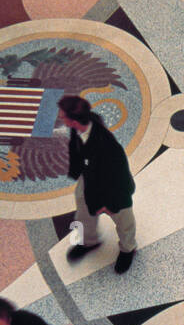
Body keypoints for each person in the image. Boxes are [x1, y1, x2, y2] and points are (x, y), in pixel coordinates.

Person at [59, 94, 137, 274]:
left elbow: (120, 179)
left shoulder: (107, 146)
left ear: (73, 120)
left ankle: (128, 248)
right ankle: (89, 241)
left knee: (123, 221)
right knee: (84, 212)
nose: (60, 118)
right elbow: (77, 150)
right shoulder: (79, 128)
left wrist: (107, 204)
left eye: (63, 116)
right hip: (90, 180)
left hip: (113, 192)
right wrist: (76, 170)